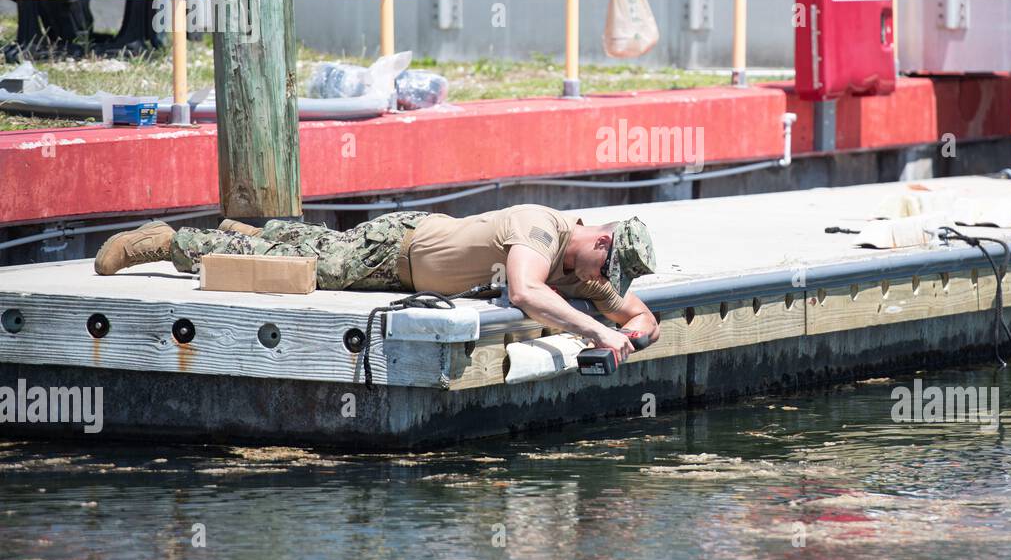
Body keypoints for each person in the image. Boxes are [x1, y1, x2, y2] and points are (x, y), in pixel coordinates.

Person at [94, 205, 659, 359]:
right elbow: (524, 294)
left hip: (409, 266)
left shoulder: (584, 269)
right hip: (398, 246)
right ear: (601, 244)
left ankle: (246, 232)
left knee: (318, 253)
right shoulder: (540, 229)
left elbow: (638, 313)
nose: (602, 282)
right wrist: (597, 334)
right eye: (606, 271)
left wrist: (636, 331)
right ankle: (171, 242)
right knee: (318, 270)